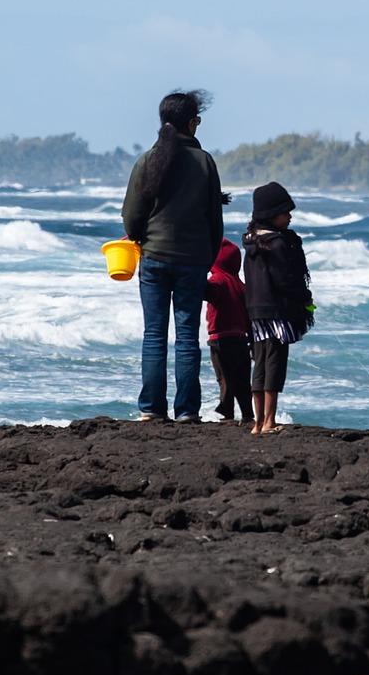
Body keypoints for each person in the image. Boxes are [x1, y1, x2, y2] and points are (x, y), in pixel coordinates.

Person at [121, 90, 226, 423]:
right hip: (193, 260)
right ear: (192, 123)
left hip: (153, 256)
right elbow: (214, 219)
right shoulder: (204, 162)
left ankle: (151, 409)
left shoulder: (147, 160)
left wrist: (139, 238)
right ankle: (186, 411)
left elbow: (131, 215)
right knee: (186, 336)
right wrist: (208, 257)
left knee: (153, 334)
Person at [241, 182, 314, 435]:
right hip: (276, 313)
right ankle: (269, 422)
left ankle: (257, 423)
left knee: (259, 364)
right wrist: (305, 299)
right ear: (271, 214)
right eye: (285, 212)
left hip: (255, 313)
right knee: (275, 364)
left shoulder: (251, 243)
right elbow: (287, 281)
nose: (290, 216)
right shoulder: (279, 244)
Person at [205, 237, 254, 424]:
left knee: (224, 377)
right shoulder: (241, 285)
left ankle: (227, 412)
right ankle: (248, 414)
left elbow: (206, 292)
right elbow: (249, 315)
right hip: (241, 338)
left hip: (220, 338)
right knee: (242, 378)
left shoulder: (217, 280)